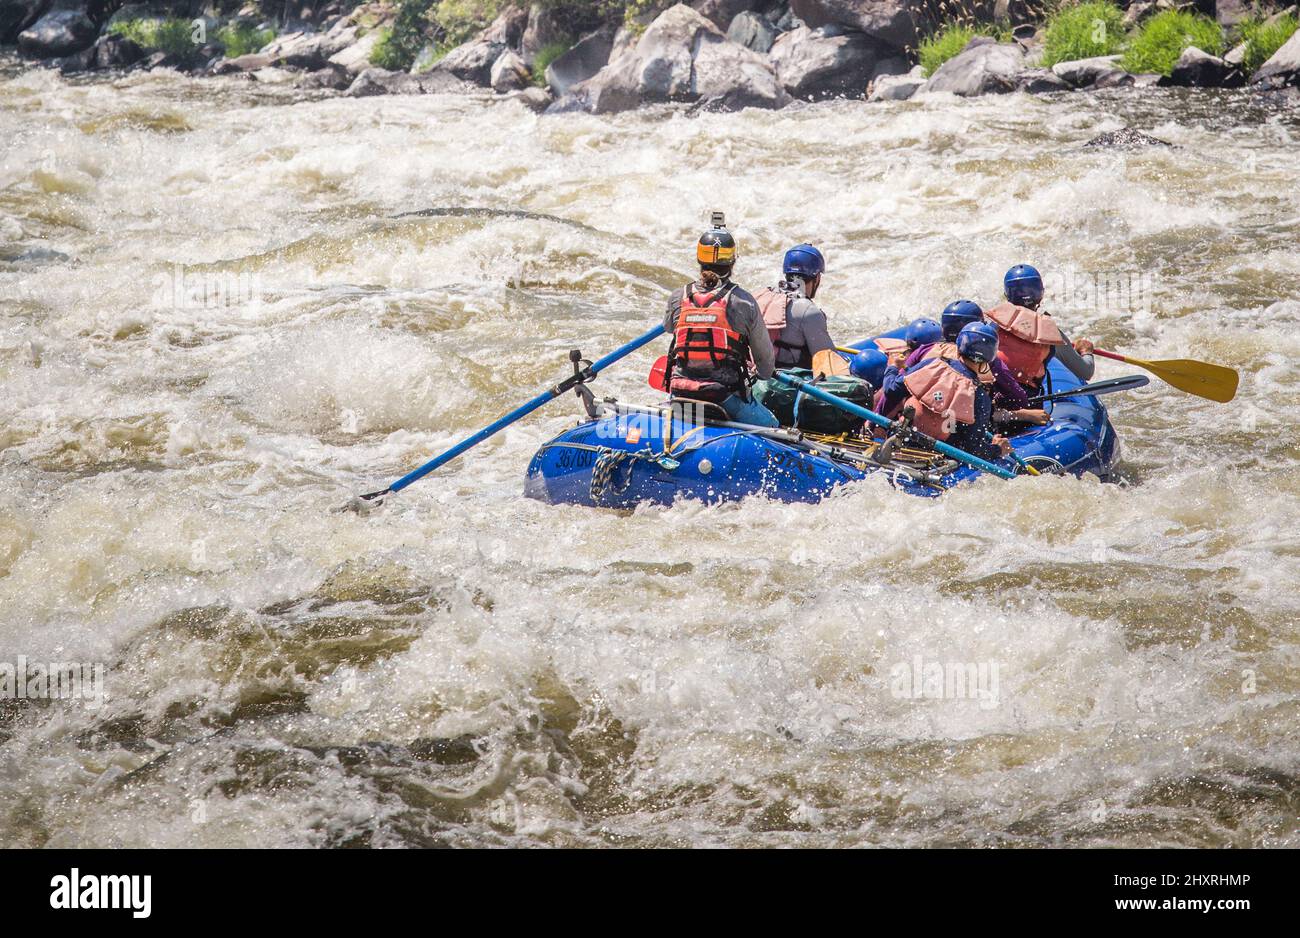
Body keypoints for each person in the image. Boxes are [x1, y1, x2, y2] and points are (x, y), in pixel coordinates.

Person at [662, 220, 779, 427]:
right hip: (723, 397)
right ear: (732, 262)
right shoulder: (743, 301)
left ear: (700, 260)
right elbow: (766, 363)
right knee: (773, 425)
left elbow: (670, 328)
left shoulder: (678, 296)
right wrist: (759, 374)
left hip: (680, 394)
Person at [888, 300, 1046, 425]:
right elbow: (1019, 400)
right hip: (952, 429)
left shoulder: (926, 352)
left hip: (913, 419)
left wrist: (892, 367)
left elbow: (894, 388)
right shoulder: (983, 382)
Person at [877, 322, 1011, 461]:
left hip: (899, 440)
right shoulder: (980, 397)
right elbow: (973, 450)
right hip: (935, 457)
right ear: (989, 359)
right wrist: (997, 449)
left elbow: (891, 390)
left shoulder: (931, 364)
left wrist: (892, 367)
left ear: (958, 348)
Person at [985, 264, 1095, 393]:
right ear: (1041, 294)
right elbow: (1085, 372)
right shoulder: (1048, 334)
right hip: (1026, 399)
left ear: (1007, 295)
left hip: (992, 394)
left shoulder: (990, 327)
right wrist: (1086, 351)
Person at [753, 244, 846, 377]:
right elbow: (828, 362)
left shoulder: (762, 297)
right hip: (789, 386)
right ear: (817, 278)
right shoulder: (809, 312)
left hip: (756, 378)